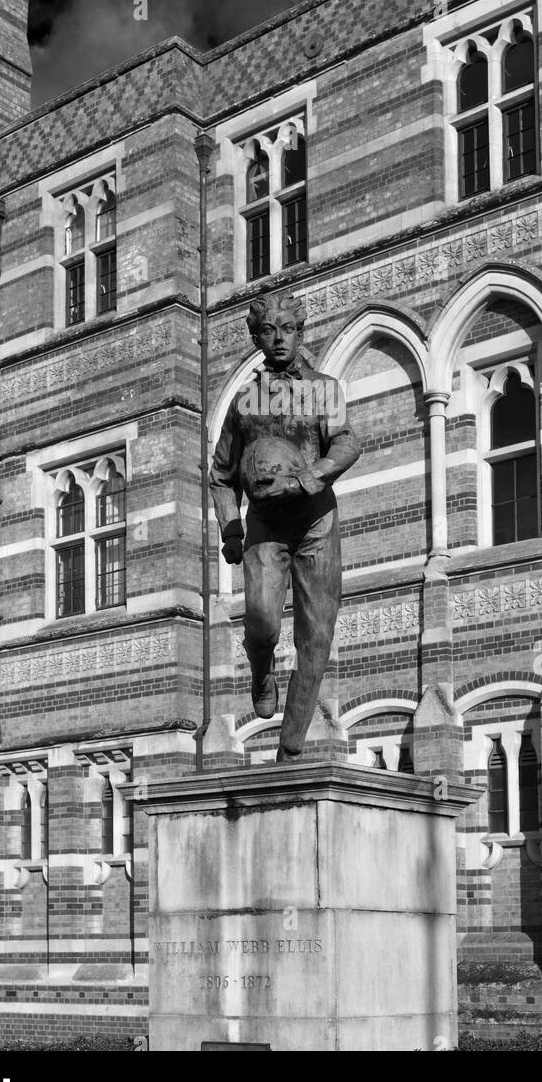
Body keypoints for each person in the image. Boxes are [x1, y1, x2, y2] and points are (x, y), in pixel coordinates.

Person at [209, 291, 361, 761]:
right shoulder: (243, 403)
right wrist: (231, 529)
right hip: (265, 528)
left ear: (300, 332)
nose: (279, 339)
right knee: (261, 619)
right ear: (256, 337)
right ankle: (261, 671)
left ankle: (290, 748)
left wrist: (308, 478)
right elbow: (220, 474)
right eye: (268, 331)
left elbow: (347, 443)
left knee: (316, 637)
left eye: (287, 329)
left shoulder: (324, 389)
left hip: (316, 522)